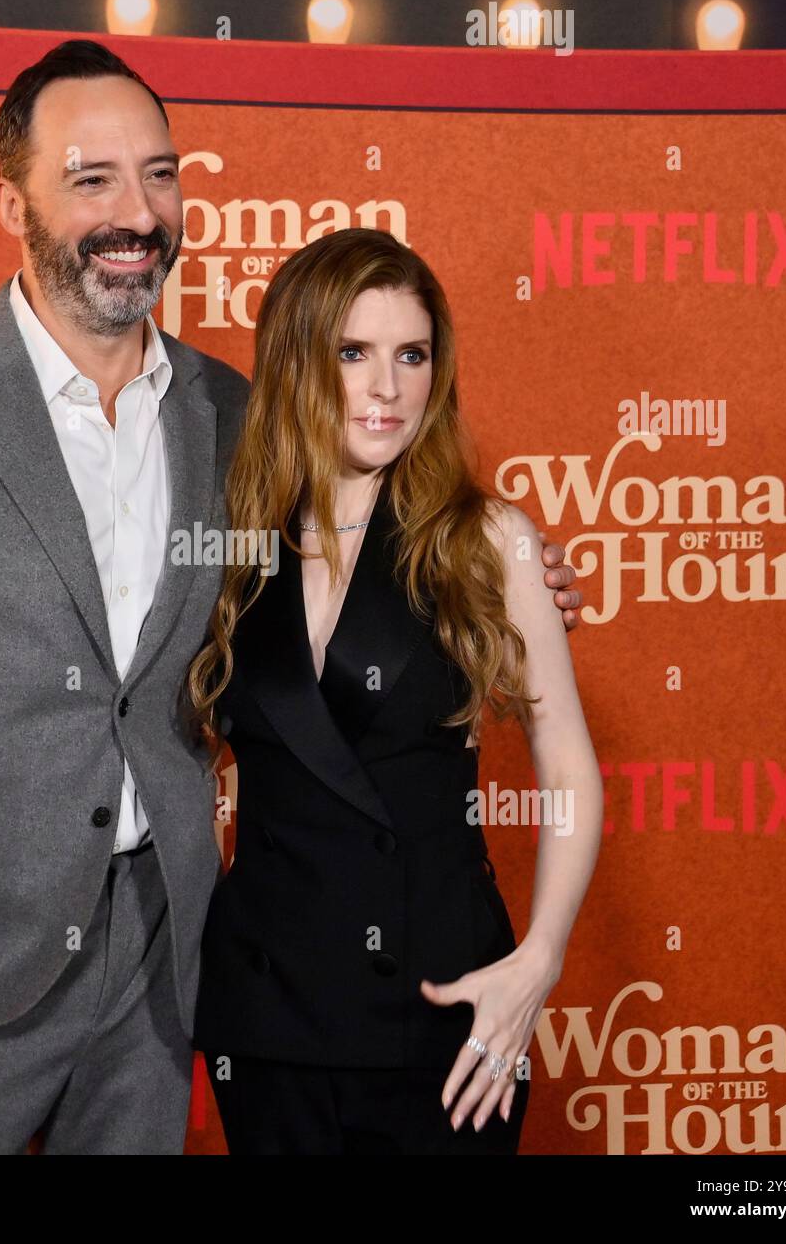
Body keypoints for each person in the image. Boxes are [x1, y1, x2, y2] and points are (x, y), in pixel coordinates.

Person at [0, 39, 583, 1155]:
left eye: (161, 174)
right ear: (10, 201)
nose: (138, 211)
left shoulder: (233, 419)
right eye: (92, 179)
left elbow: (372, 547)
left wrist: (514, 576)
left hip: (158, 970)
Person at [189, 227, 603, 1155]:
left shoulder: (486, 536)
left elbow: (565, 758)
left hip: (447, 1005)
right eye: (353, 352)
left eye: (411, 354)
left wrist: (539, 958)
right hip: (270, 1017)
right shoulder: (230, 544)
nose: (388, 387)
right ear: (299, 362)